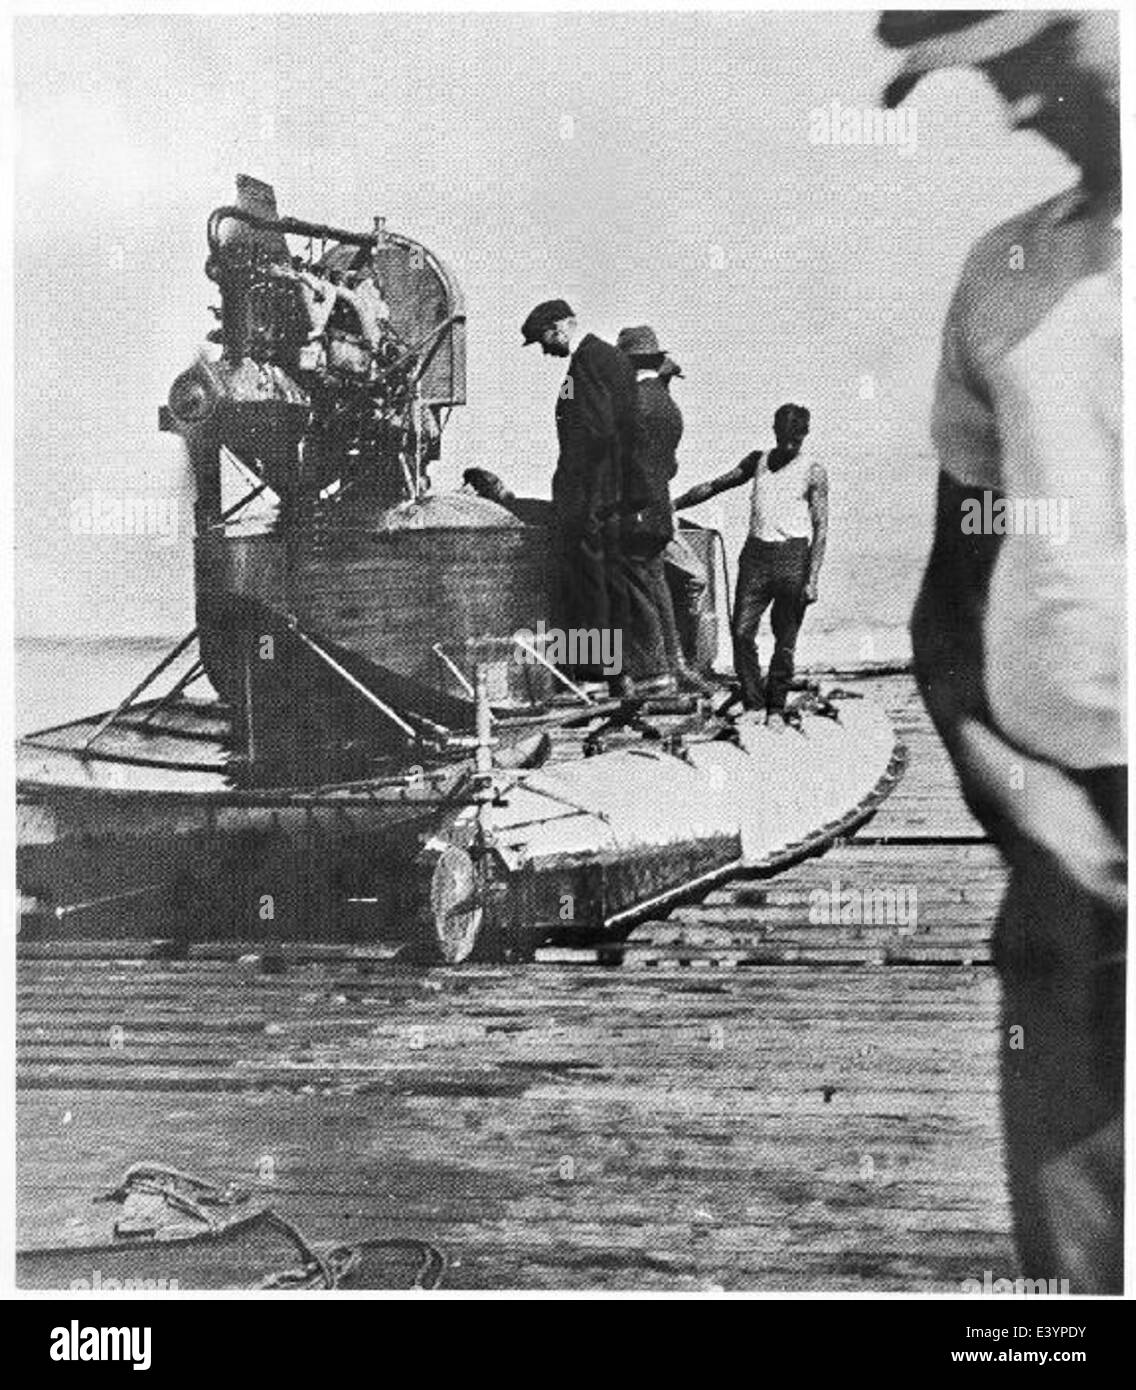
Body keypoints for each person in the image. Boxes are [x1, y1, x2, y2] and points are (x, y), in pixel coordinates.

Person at [881, 10, 1124, 1292]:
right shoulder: (1001, 279)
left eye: (1034, 63)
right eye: (993, 83)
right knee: (1070, 1286)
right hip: (1069, 857)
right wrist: (1022, 795)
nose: (1017, 112)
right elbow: (944, 612)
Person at [674, 403, 827, 722]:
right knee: (742, 631)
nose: (789, 447)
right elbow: (714, 485)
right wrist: (673, 505)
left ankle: (776, 707)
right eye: (784, 439)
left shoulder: (813, 471)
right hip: (756, 558)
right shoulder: (757, 461)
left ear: (804, 436)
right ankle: (754, 704)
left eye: (795, 441)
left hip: (792, 559)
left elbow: (821, 528)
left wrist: (812, 579)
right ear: (775, 431)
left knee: (785, 639)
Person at [521, 299, 638, 693]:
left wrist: (581, 492)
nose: (544, 350)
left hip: (590, 493)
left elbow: (596, 430)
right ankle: (620, 674)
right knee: (610, 582)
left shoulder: (587, 362)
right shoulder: (609, 359)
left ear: (559, 328)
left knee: (589, 584)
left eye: (543, 340)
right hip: (610, 492)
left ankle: (595, 678)